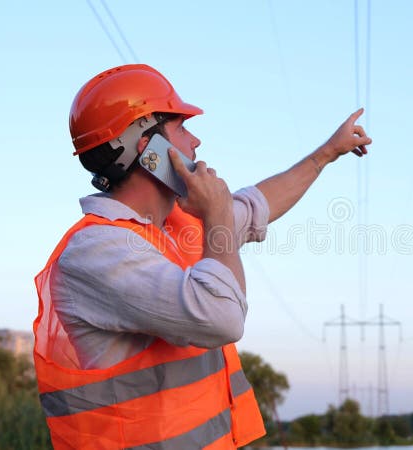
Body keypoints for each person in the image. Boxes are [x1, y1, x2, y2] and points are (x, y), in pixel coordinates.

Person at [33, 64, 371, 450]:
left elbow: (259, 203)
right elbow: (224, 319)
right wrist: (216, 214)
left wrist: (326, 154)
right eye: (181, 128)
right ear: (149, 151)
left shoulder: (176, 228)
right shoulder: (96, 252)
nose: (196, 142)